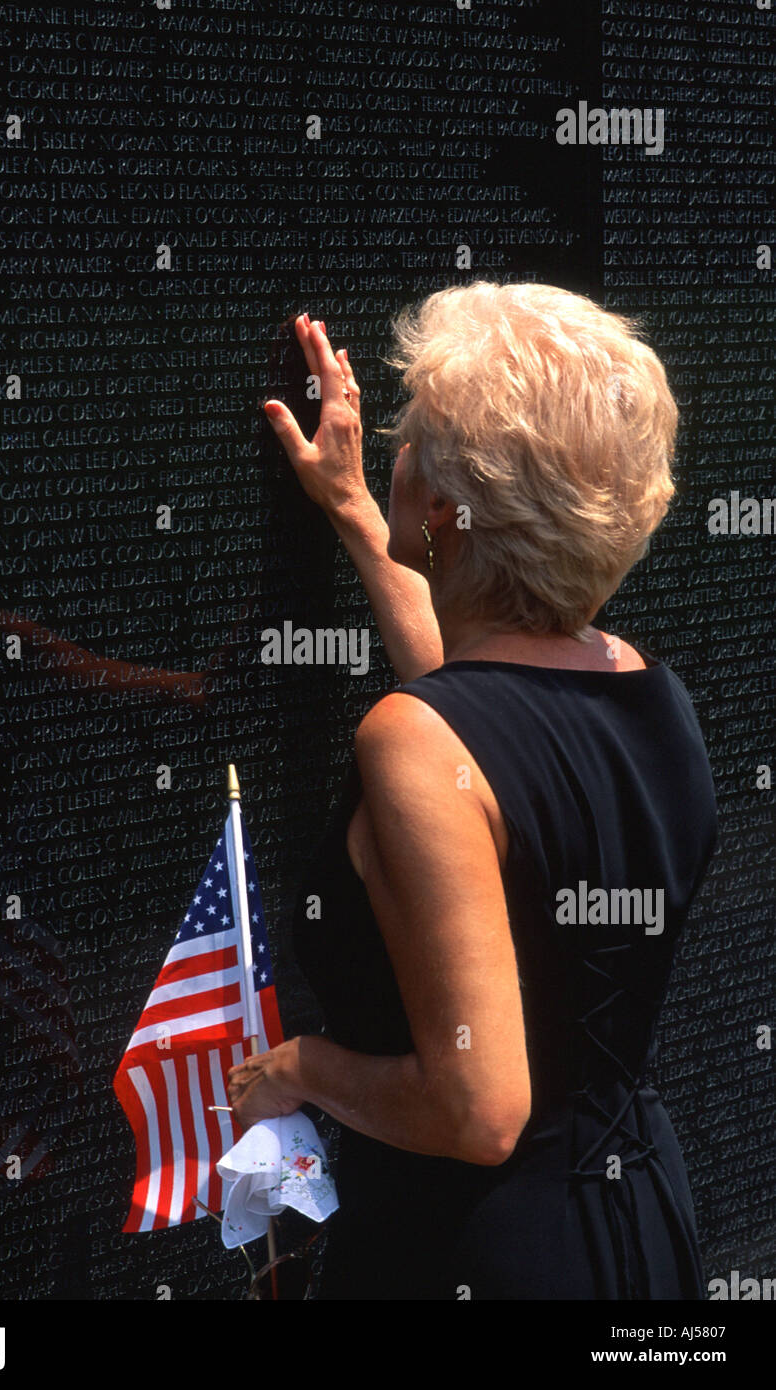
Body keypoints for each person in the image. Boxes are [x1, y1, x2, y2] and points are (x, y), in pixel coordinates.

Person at [225, 282, 719, 1299]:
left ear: (450, 507)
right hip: (638, 1227)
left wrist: (300, 1069)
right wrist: (363, 513)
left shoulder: (413, 739)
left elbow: (478, 1108)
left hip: (472, 1254)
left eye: (412, 442)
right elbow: (476, 727)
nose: (395, 450)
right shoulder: (645, 688)